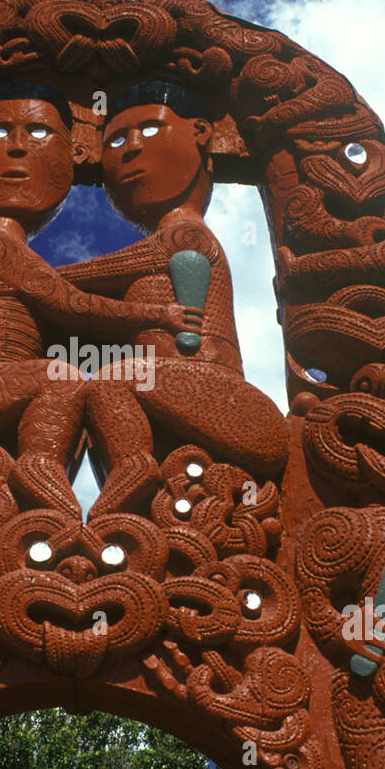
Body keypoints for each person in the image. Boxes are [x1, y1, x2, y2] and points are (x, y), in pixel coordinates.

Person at [0, 82, 195, 516]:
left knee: (88, 395)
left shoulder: (18, 260)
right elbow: (70, 304)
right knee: (62, 379)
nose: (16, 148)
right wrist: (159, 314)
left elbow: (57, 296)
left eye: (39, 134)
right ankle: (43, 482)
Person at [55, 81, 288, 516]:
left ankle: (134, 472)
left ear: (201, 132)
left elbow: (67, 282)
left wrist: (3, 271)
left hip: (229, 406)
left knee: (112, 382)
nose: (130, 149)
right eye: (117, 139)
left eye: (149, 129)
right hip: (181, 406)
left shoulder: (183, 236)